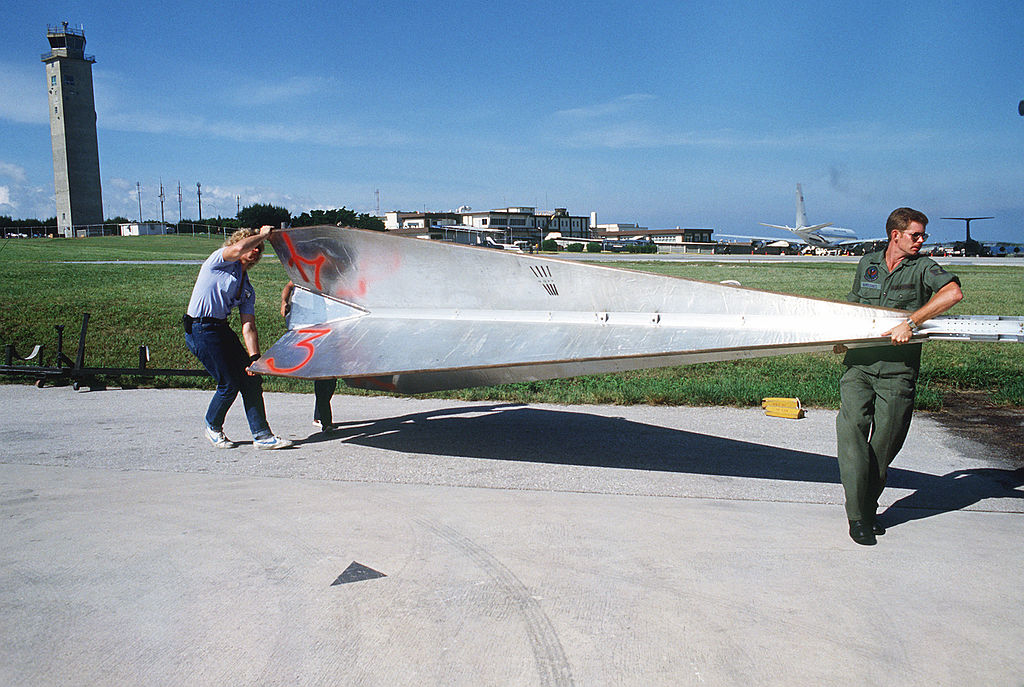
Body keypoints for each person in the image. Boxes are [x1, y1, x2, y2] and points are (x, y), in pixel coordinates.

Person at [836, 207, 963, 545]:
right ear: (896, 235)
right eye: (915, 235)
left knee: (882, 449)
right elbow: (853, 304)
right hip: (859, 364)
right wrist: (839, 337)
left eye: (923, 235)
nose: (922, 240)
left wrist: (911, 322)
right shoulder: (869, 262)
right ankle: (858, 517)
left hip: (897, 372)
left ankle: (868, 506)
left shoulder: (923, 267)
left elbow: (952, 293)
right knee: (851, 437)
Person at [184, 225, 292, 450]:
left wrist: (255, 358)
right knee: (229, 383)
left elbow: (248, 325)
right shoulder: (218, 262)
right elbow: (239, 247)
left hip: (220, 329)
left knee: (251, 380)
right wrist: (262, 234)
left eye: (260, 249)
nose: (256, 251)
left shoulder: (247, 287)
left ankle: (262, 436)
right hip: (200, 328)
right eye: (253, 246)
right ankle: (212, 427)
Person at [281, 281, 338, 432]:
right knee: (323, 378)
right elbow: (289, 285)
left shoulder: (332, 274)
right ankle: (326, 421)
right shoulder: (307, 275)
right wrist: (284, 302)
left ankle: (319, 416)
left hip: (330, 327)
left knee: (331, 380)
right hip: (313, 331)